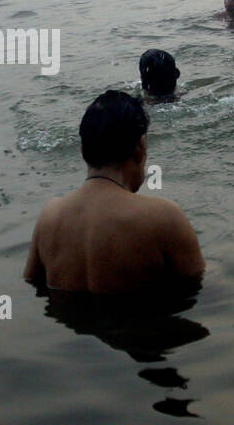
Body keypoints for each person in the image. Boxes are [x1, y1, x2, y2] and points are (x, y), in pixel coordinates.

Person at [25, 91, 204, 294]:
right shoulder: (163, 217)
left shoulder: (49, 217)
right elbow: (202, 287)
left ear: (83, 150)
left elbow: (33, 283)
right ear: (140, 149)